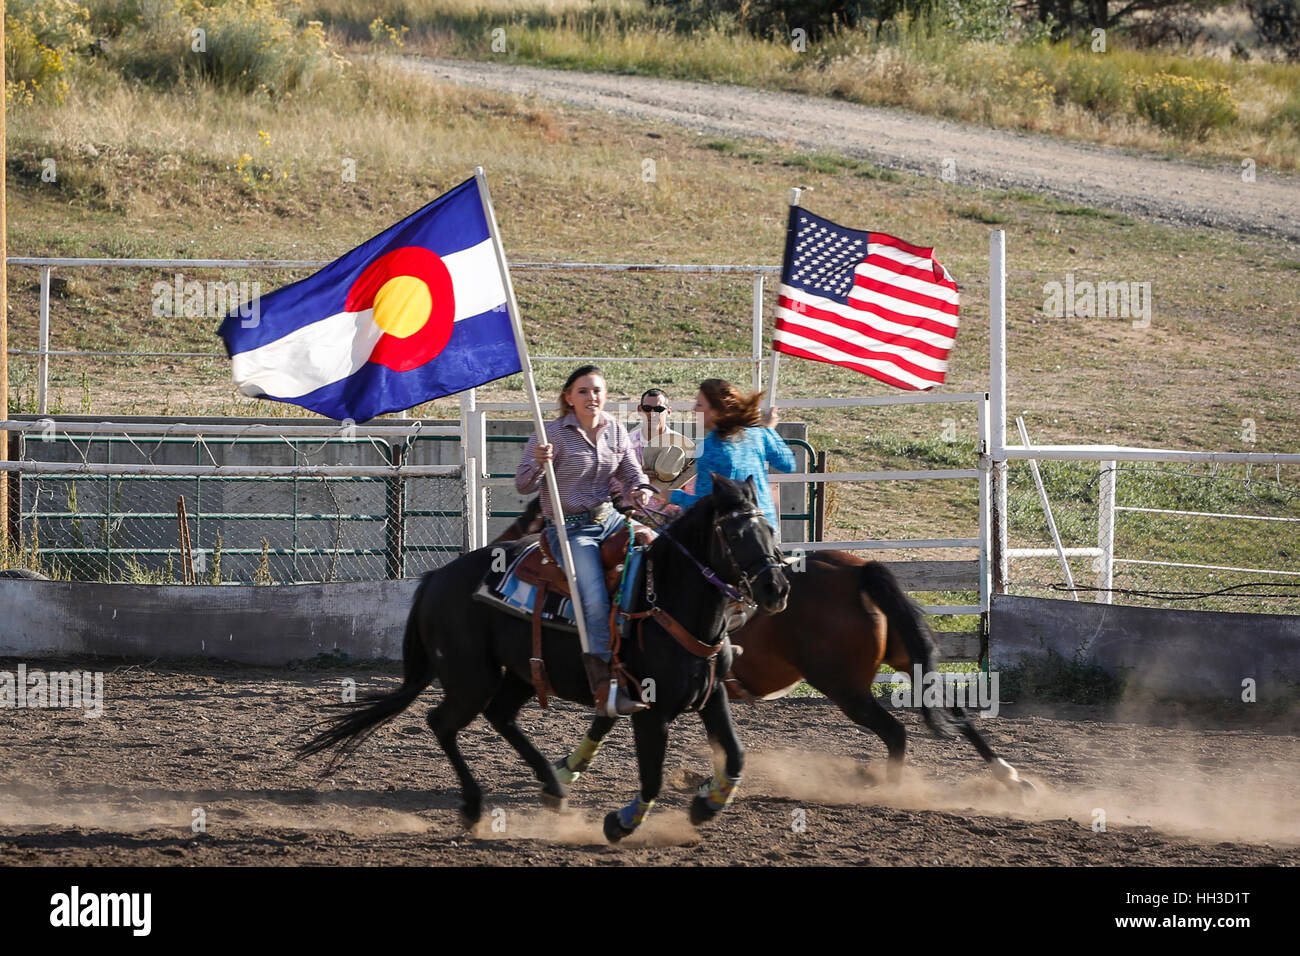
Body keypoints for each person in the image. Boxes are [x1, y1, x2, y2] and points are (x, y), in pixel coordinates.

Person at [515, 365, 653, 718]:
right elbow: (523, 485)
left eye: (597, 390)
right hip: (569, 529)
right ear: (568, 398)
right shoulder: (551, 436)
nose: (592, 397)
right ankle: (604, 687)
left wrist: (639, 488)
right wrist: (538, 463)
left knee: (660, 552)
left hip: (610, 519)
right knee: (592, 600)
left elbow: (630, 471)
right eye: (583, 391)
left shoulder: (615, 430)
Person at [669, 378, 795, 534]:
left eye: (700, 404)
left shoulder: (711, 449)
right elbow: (788, 464)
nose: (694, 409)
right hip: (767, 530)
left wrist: (673, 496)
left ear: (716, 411)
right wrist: (768, 430)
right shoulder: (757, 434)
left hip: (734, 538)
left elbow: (705, 505)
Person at [626, 388, 696, 498]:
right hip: (635, 505)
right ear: (640, 410)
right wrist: (637, 476)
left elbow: (690, 487)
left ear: (668, 412)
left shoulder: (683, 446)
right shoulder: (626, 443)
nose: (652, 414)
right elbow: (614, 481)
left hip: (671, 508)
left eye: (658, 409)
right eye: (647, 408)